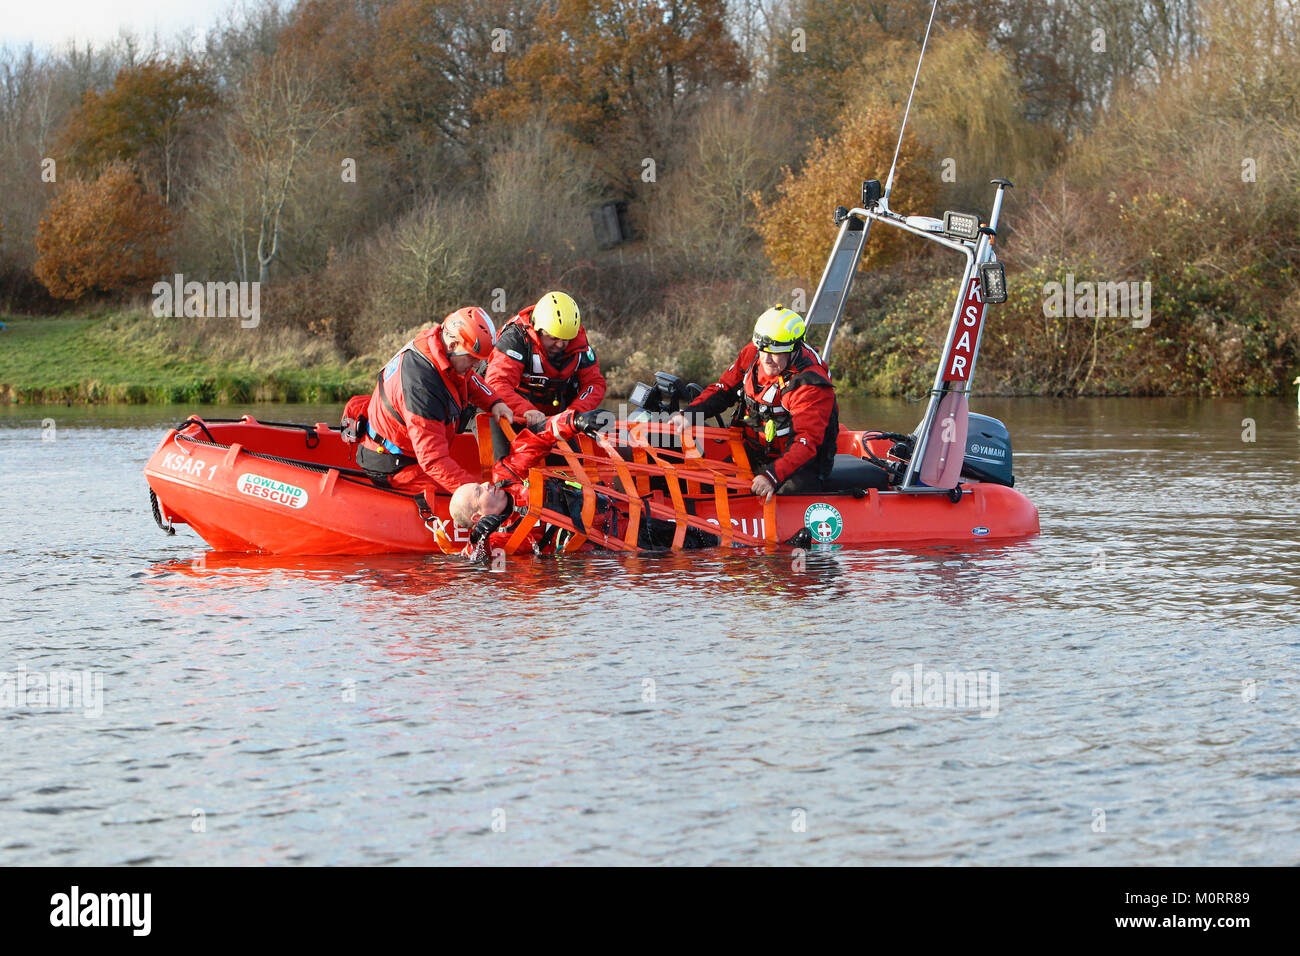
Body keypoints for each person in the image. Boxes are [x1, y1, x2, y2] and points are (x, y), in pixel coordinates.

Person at [671, 305, 887, 499]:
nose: (766, 359)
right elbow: (723, 388)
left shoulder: (809, 384)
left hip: (800, 465)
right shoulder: (753, 354)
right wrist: (689, 414)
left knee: (786, 494)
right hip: (754, 451)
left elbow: (806, 441)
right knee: (712, 484)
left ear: (793, 349)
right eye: (763, 351)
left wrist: (772, 476)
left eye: (775, 353)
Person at [450, 409, 716, 557]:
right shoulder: (495, 539)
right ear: (477, 515)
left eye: (480, 484)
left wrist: (574, 421)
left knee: (703, 542)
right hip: (601, 549)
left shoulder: (506, 475)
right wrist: (478, 536)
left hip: (620, 520)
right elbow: (478, 562)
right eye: (478, 491)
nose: (486, 485)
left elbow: (537, 439)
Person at [343, 307, 514, 499]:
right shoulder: (421, 388)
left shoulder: (438, 346)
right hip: (395, 464)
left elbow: (468, 378)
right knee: (460, 502)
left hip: (410, 448)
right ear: (453, 345)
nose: (476, 365)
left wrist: (494, 402)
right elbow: (433, 460)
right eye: (472, 358)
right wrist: (478, 496)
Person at [485, 290, 606, 457]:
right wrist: (526, 410)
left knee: (571, 470)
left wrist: (573, 414)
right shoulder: (515, 340)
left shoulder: (579, 346)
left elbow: (595, 383)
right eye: (554, 338)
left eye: (566, 339)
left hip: (556, 417)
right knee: (506, 468)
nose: (560, 344)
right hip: (511, 414)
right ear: (538, 329)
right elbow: (496, 383)